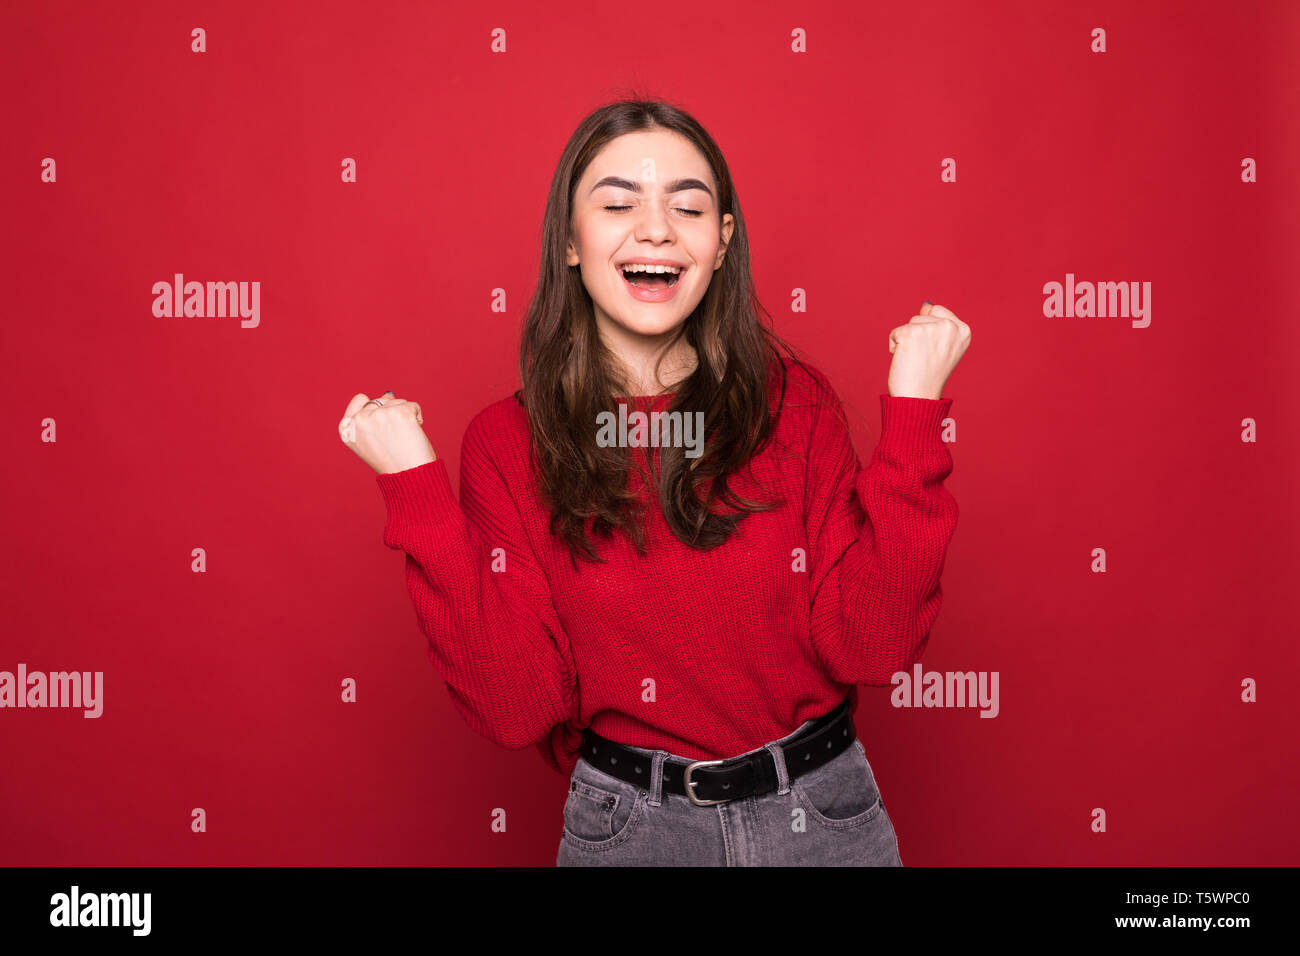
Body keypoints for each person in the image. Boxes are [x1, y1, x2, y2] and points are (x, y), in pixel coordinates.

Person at [338, 97, 970, 866]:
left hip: (824, 822)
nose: (656, 229)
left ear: (722, 240)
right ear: (570, 242)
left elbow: (873, 646)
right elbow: (519, 705)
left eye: (688, 206)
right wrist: (416, 492)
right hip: (632, 833)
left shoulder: (794, 405)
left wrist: (913, 416)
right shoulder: (507, 444)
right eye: (617, 203)